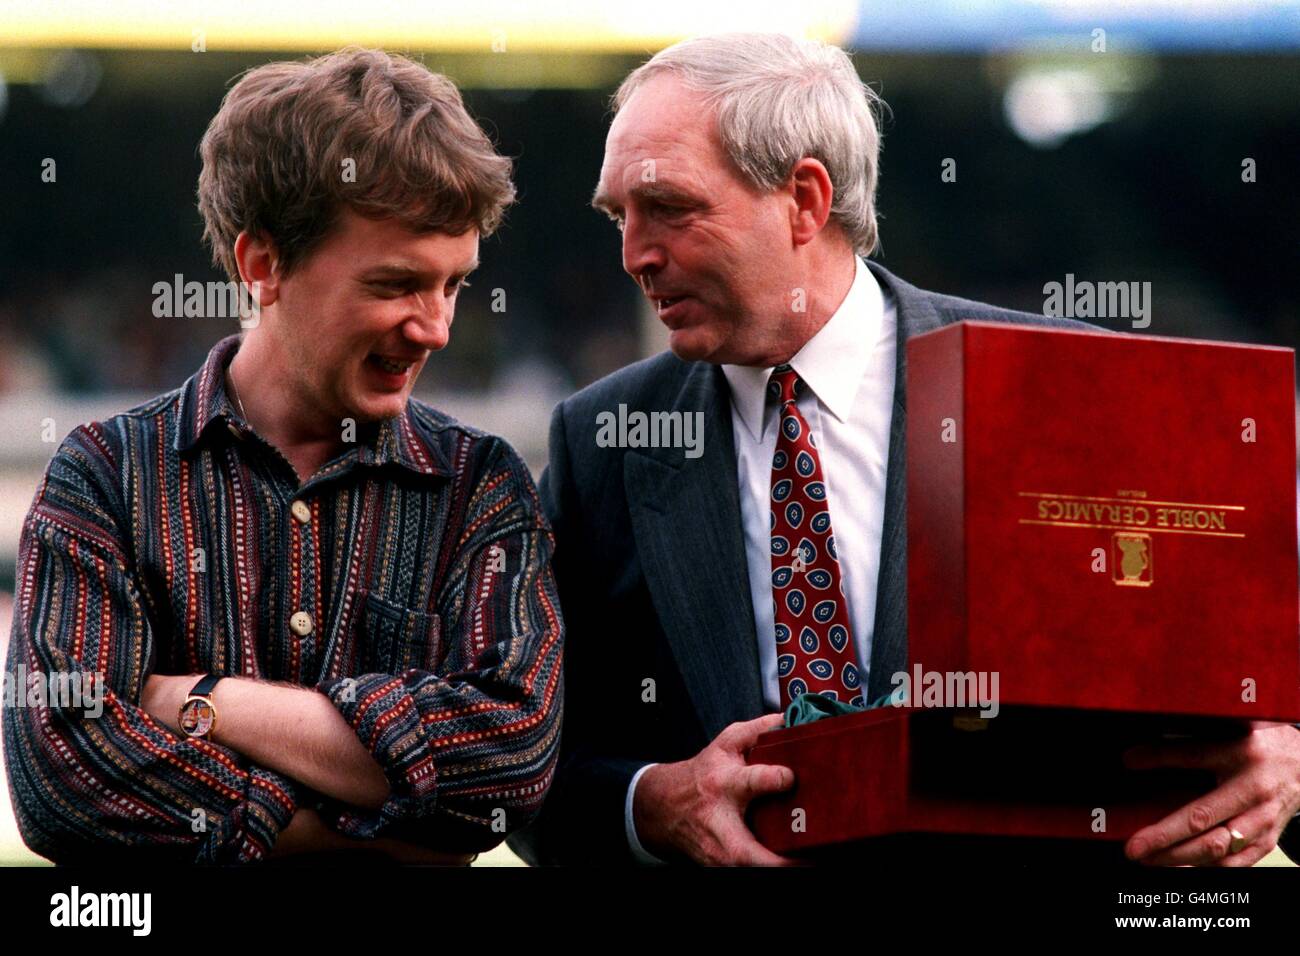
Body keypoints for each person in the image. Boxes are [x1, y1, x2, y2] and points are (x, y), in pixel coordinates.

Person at [507, 32, 1300, 866]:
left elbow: (1255, 678)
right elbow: (520, 769)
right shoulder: (602, 441)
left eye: (669, 208)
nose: (634, 255)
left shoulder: (1069, 388)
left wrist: (1287, 756)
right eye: (618, 217)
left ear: (805, 200)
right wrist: (650, 804)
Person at [2, 48, 563, 864]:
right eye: (396, 283)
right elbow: (63, 783)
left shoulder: (479, 484)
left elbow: (510, 765)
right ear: (262, 265)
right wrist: (360, 834)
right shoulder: (105, 475)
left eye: (454, 284)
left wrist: (206, 704)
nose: (436, 326)